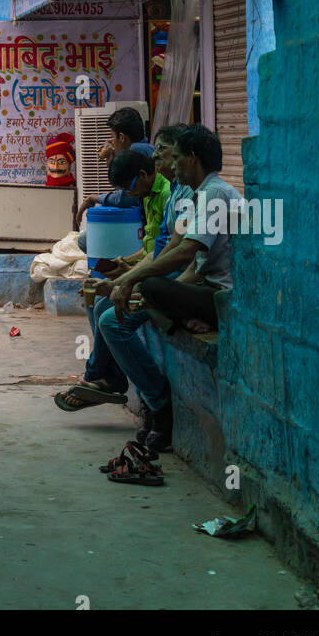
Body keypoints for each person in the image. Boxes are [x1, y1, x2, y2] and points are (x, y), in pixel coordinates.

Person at [53, 125, 191, 438]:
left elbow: (181, 256)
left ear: (190, 159)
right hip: (163, 274)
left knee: (111, 317)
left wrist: (126, 280)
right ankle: (108, 376)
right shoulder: (173, 194)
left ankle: (154, 402)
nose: (159, 160)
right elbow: (156, 248)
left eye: (166, 154)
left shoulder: (185, 195)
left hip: (181, 282)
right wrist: (124, 268)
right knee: (98, 297)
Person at [135, 123, 243, 335]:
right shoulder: (199, 194)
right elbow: (195, 265)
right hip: (206, 287)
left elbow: (185, 251)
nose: (172, 166)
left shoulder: (214, 194)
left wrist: (134, 280)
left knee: (150, 286)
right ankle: (186, 318)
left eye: (176, 158)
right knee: (148, 293)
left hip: (222, 295)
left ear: (192, 158)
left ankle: (192, 319)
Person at [74, 107, 154, 229]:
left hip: (145, 227)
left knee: (85, 240)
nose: (111, 142)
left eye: (112, 136)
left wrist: (93, 198)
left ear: (121, 137)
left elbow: (125, 199)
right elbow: (124, 187)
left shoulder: (136, 151)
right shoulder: (146, 147)